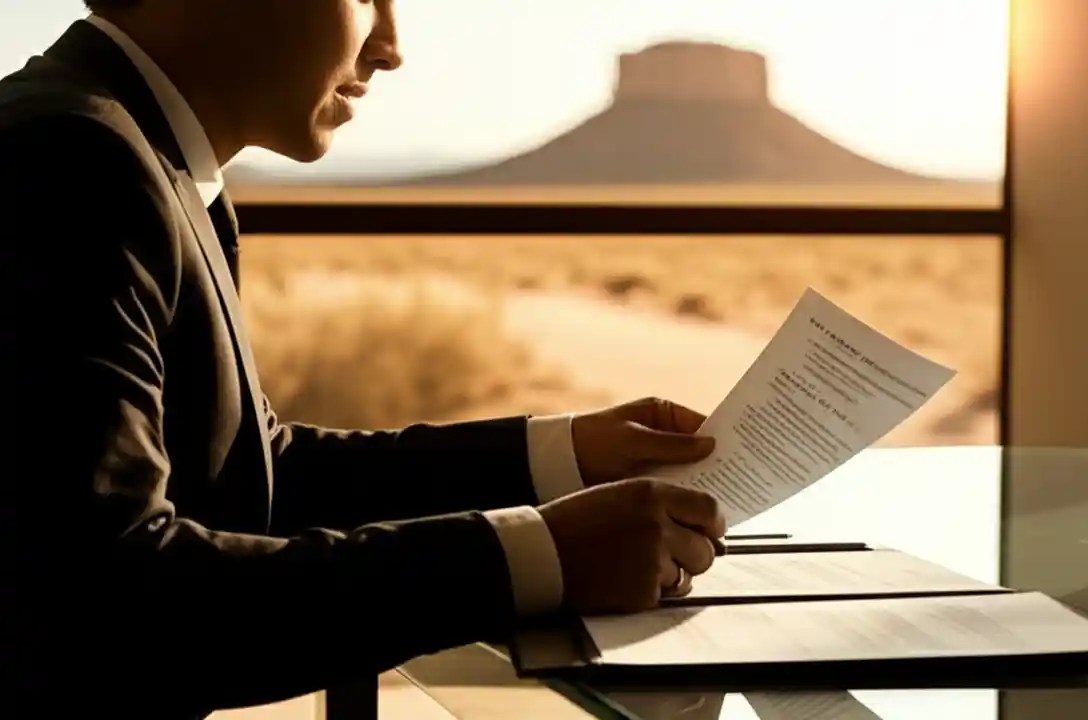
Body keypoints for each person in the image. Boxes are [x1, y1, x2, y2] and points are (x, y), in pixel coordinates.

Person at [0, 0, 726, 716]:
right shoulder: (69, 162)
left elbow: (251, 475)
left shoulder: (145, 156)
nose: (390, 45)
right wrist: (535, 558)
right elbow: (102, 604)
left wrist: (559, 457)